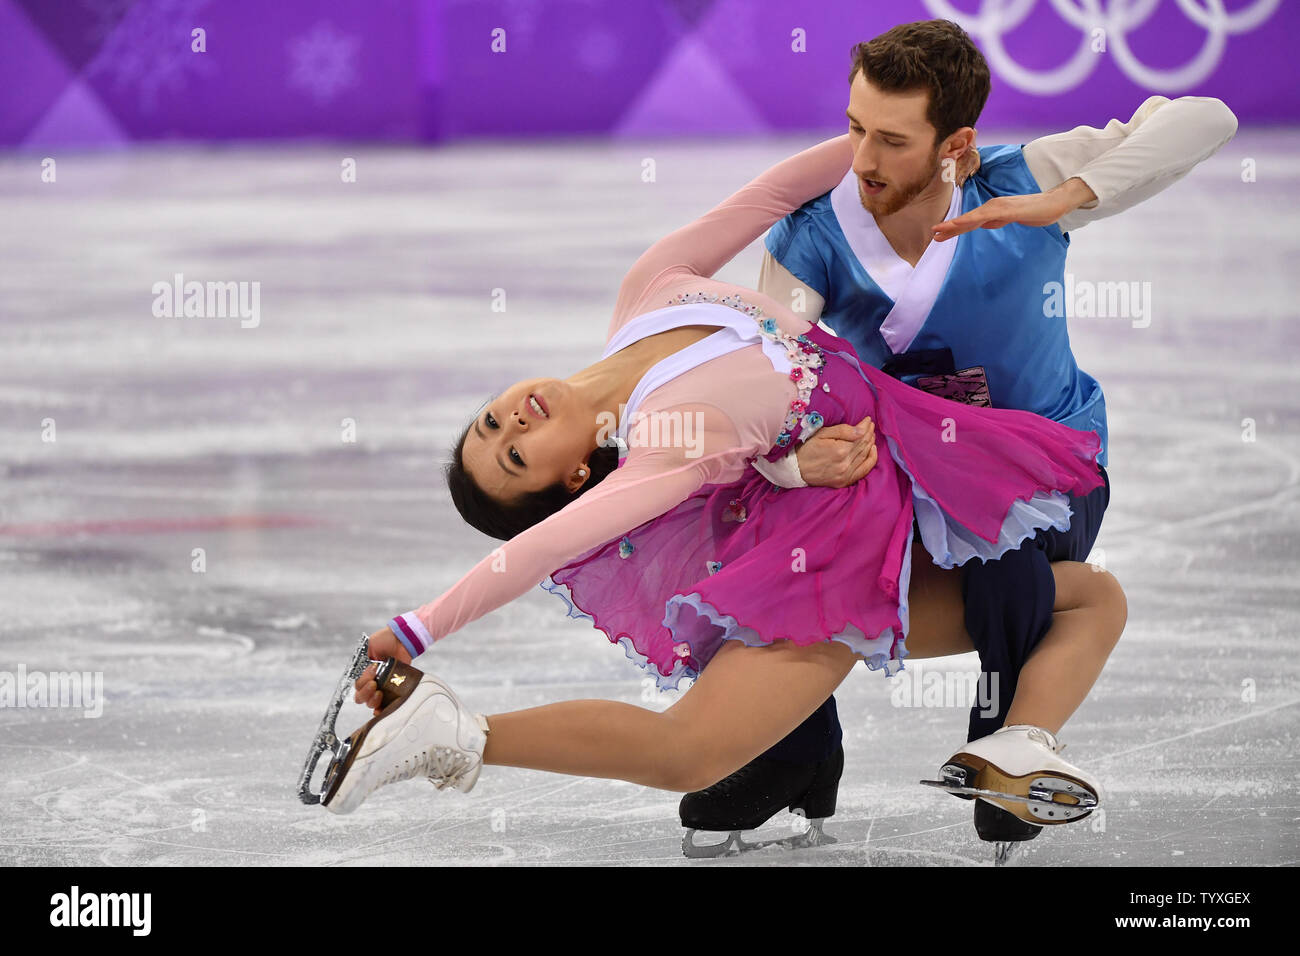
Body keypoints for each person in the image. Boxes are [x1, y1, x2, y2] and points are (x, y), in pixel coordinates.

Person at [314, 131, 1127, 838]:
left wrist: (898, 146)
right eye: (517, 458)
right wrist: (417, 631)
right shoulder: (661, 445)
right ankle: (459, 734)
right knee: (690, 751)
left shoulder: (647, 292)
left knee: (1090, 596)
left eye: (492, 425)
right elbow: (542, 546)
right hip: (839, 547)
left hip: (900, 470)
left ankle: (1017, 743)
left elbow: (774, 192)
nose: (511, 424)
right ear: (572, 475)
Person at [685, 18, 1238, 851]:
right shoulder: (814, 234)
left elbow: (1207, 117)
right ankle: (792, 753)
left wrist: (1068, 199)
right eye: (854, 127)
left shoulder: (1023, 181)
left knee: (1006, 568)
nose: (862, 159)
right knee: (767, 528)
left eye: (892, 139)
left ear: (957, 144)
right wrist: (791, 461)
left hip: (1050, 463)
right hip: (909, 469)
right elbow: (773, 373)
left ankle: (1011, 739)